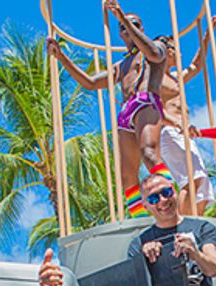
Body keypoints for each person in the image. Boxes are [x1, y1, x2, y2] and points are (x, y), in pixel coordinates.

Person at [47, 1, 167, 218]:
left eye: (134, 25)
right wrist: (61, 57)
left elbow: (155, 55)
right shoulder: (122, 65)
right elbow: (90, 82)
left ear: (142, 29)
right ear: (120, 35)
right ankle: (140, 218)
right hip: (126, 111)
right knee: (126, 176)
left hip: (145, 101)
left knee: (149, 153)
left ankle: (169, 198)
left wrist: (121, 16)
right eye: (122, 27)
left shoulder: (157, 45)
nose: (127, 28)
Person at [155, 19, 216, 214]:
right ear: (167, 52)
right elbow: (154, 108)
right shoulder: (156, 79)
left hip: (182, 132)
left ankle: (194, 228)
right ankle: (182, 226)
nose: (180, 52)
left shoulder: (175, 77)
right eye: (176, 48)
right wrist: (176, 124)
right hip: (171, 131)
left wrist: (207, 37)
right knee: (192, 178)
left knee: (203, 187)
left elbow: (196, 65)